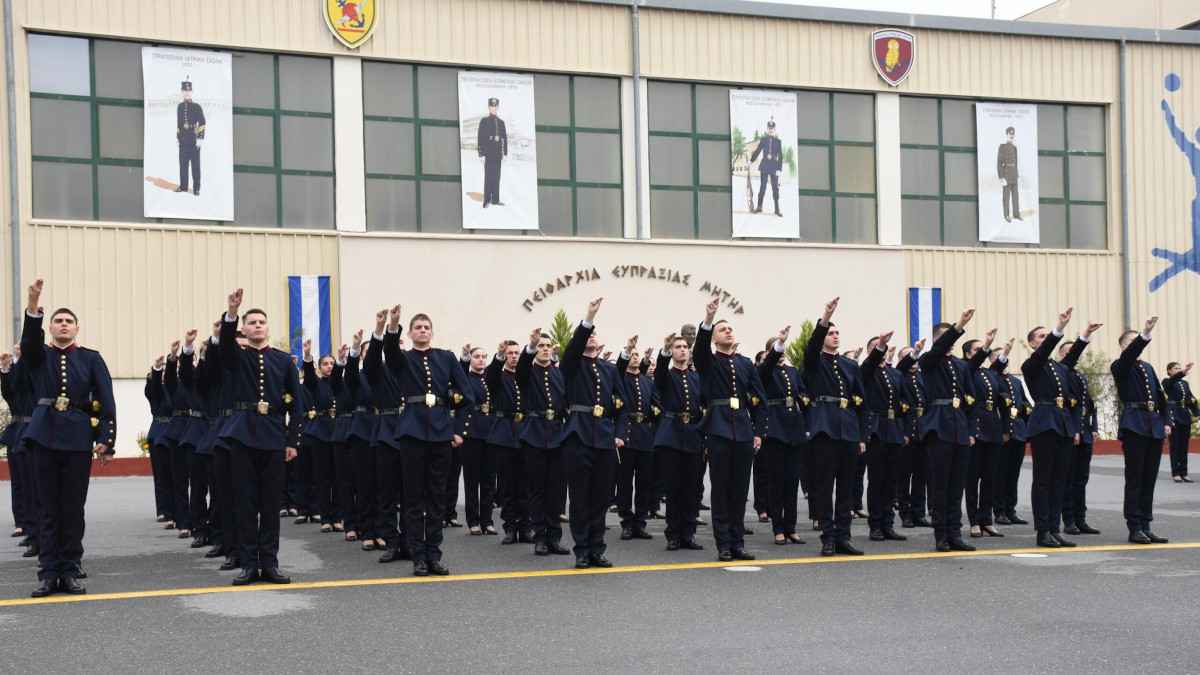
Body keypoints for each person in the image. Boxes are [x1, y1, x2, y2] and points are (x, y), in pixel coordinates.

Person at [21, 279, 116, 597]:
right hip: (44, 436)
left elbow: (107, 400)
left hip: (77, 437)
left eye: (68, 321)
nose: (63, 325)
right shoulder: (39, 356)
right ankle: (48, 572)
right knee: (48, 508)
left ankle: (70, 568)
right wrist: (33, 306)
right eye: (58, 321)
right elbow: (30, 343)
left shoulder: (90, 358)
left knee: (73, 508)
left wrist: (107, 439)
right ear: (50, 328)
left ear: (77, 328)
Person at [377, 304, 474, 576]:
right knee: (413, 498)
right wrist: (392, 324)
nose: (422, 331)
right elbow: (391, 354)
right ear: (409, 334)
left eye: (426, 328)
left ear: (433, 333)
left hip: (442, 434)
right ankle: (418, 556)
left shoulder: (446, 358)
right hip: (412, 433)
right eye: (417, 328)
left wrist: (458, 431)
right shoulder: (404, 358)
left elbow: (468, 397)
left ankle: (434, 554)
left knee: (437, 498)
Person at [216, 288, 301, 586]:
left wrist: (292, 441)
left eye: (261, 322)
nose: (257, 326)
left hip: (274, 436)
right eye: (251, 323)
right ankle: (249, 563)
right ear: (244, 329)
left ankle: (270, 563)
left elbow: (297, 404)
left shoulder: (282, 361)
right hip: (242, 436)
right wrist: (231, 312)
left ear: (268, 328)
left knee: (269, 504)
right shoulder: (236, 358)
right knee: (246, 502)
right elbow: (225, 345)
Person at [694, 299, 770, 563]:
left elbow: (760, 400)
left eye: (730, 328)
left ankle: (738, 542)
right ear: (714, 338)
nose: (728, 331)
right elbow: (700, 349)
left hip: (743, 430)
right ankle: (723, 543)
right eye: (722, 329)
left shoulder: (746, 364)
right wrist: (709, 318)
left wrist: (759, 432)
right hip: (718, 429)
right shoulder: (708, 361)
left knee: (739, 490)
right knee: (721, 490)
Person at [558, 299, 626, 569]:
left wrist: (619, 433)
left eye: (595, 333)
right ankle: (582, 550)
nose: (591, 336)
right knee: (580, 499)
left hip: (605, 439)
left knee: (599, 498)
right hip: (579, 435)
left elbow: (622, 405)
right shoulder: (572, 365)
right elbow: (574, 348)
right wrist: (589, 317)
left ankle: (597, 548)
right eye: (587, 334)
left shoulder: (609, 369)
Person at [1022, 309, 1098, 549]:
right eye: (1041, 337)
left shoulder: (1060, 368)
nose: (1045, 339)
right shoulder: (1031, 365)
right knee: (1043, 481)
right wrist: (1058, 328)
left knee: (1059, 481)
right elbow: (1045, 351)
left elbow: (1072, 356)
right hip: (1044, 423)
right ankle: (1042, 531)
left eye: (1048, 335)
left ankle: (1055, 529)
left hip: (1063, 425)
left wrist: (1085, 334)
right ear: (1033, 344)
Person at [803, 297, 868, 556]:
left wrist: (862, 436)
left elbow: (862, 403)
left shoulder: (850, 365)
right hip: (825, 429)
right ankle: (828, 536)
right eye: (831, 333)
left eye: (837, 332)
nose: (835, 336)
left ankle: (844, 536)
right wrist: (825, 318)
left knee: (846, 487)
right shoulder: (815, 362)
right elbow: (812, 347)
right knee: (824, 486)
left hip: (849, 430)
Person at [919, 310, 979, 553]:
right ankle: (941, 534)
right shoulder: (928, 361)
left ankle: (955, 532)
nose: (951, 341)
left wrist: (971, 430)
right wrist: (960, 325)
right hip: (939, 426)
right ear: (937, 340)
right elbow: (936, 352)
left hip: (959, 428)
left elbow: (971, 400)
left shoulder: (961, 366)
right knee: (941, 485)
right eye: (946, 338)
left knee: (957, 485)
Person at [1112, 317, 1173, 545]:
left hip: (1153, 426)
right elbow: (1130, 356)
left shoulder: (1147, 367)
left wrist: (1166, 420)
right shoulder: (1120, 366)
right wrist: (1145, 332)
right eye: (1135, 341)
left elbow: (1161, 397)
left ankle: (1146, 524)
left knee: (1149, 479)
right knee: (1135, 479)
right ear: (1124, 347)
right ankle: (1134, 526)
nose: (1140, 344)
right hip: (1134, 424)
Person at [756, 334, 808, 546]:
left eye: (784, 347)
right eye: (778, 347)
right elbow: (765, 369)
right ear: (769, 352)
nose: (783, 350)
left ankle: (791, 527)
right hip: (775, 427)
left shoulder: (793, 372)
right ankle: (778, 527)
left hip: (794, 427)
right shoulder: (765, 371)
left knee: (792, 481)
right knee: (776, 481)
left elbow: (802, 393)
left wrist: (804, 401)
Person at [655, 333, 705, 552]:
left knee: (691, 488)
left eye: (685, 347)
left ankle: (688, 532)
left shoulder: (697, 377)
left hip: (693, 435)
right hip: (671, 436)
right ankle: (673, 534)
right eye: (678, 347)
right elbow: (658, 375)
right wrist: (664, 351)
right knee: (674, 489)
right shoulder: (667, 376)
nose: (682, 350)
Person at [861, 337, 908, 543]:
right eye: (877, 350)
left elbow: (905, 402)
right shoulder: (867, 372)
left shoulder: (895, 373)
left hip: (894, 429)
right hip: (876, 428)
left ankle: (888, 524)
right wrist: (879, 347)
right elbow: (870, 364)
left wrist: (905, 430)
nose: (882, 354)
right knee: (877, 480)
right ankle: (876, 524)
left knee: (891, 481)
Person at [965, 339, 1012, 539]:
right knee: (972, 477)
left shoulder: (989, 374)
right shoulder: (967, 369)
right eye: (977, 350)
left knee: (990, 477)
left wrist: (1005, 352)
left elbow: (997, 367)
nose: (982, 353)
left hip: (992, 427)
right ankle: (974, 521)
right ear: (968, 354)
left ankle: (987, 520)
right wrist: (970, 431)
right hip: (976, 427)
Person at [615, 336, 661, 542]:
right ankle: (626, 521)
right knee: (625, 483)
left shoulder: (647, 382)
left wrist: (655, 411)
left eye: (637, 355)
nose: (635, 357)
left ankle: (640, 521)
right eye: (631, 355)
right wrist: (628, 348)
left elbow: (657, 406)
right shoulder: (620, 378)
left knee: (644, 483)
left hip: (645, 435)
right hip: (626, 435)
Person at [1, 346, 39, 559]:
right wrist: (6, 367)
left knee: (36, 486)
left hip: (33, 432)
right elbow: (8, 391)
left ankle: (34, 531)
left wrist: (19, 359)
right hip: (17, 433)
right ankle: (22, 523)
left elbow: (26, 381)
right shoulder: (16, 386)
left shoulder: (33, 380)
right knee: (19, 483)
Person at [456, 345, 496, 536]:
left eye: (483, 356)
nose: (480, 360)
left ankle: (487, 520)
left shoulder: (489, 379)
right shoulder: (466, 378)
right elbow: (460, 372)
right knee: (472, 480)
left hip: (489, 432)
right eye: (476, 357)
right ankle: (473, 520)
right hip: (471, 433)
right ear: (471, 359)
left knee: (489, 480)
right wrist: (463, 357)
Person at [1061, 339, 1100, 535]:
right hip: (1071, 431)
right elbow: (1068, 407)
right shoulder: (1063, 376)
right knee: (1068, 477)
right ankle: (1068, 519)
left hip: (1084, 433)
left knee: (1081, 478)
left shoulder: (1081, 377)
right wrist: (1074, 429)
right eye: (1070, 353)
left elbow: (1090, 405)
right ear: (1063, 356)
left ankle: (1080, 517)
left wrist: (1094, 427)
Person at [895, 340, 931, 529]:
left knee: (921, 475)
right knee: (904, 476)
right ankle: (905, 514)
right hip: (907, 430)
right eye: (910, 356)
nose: (915, 359)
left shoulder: (921, 377)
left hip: (923, 428)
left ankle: (919, 512)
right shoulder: (899, 374)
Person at [1163, 361, 1198, 482]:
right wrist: (1184, 371)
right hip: (1174, 416)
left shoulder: (1185, 383)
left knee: (1184, 446)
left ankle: (1184, 472)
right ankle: (1176, 473)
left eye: (1179, 368)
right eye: (1175, 368)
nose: (1178, 370)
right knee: (1175, 447)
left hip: (1184, 415)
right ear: (1169, 371)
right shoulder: (1167, 382)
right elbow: (1172, 382)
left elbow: (1191, 399)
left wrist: (1197, 414)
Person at [175, 78, 205, 196]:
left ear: (192, 92)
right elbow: (179, 123)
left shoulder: (196, 106)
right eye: (184, 90)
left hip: (194, 141)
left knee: (195, 166)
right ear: (182, 92)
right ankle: (183, 186)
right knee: (183, 165)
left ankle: (196, 188)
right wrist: (178, 137)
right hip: (183, 140)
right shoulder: (180, 107)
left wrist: (200, 138)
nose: (186, 93)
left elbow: (202, 122)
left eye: (189, 91)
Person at [750, 119, 784, 217]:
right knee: (762, 187)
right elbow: (757, 151)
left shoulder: (778, 142)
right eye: (769, 128)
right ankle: (759, 207)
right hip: (764, 165)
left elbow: (780, 156)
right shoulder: (763, 140)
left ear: (774, 130)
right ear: (767, 129)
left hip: (774, 166)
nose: (770, 130)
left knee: (775, 188)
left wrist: (779, 169)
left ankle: (777, 209)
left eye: (772, 128)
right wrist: (751, 161)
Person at [477, 97, 507, 208]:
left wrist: (505, 153)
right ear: (489, 107)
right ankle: (487, 200)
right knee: (488, 176)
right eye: (492, 106)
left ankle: (496, 199)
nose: (494, 108)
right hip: (488, 152)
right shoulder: (484, 121)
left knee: (496, 176)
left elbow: (505, 139)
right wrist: (481, 154)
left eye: (496, 106)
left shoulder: (501, 122)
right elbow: (480, 138)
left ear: (498, 107)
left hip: (498, 153)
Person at [997, 126, 1020, 222]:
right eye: (1010, 134)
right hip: (1006, 175)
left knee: (1015, 196)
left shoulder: (1015, 148)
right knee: (1006, 197)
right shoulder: (1002, 147)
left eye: (1013, 134)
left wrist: (1017, 174)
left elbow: (1016, 163)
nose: (1011, 135)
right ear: (1007, 134)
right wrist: (1001, 177)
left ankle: (1016, 214)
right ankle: (1006, 215)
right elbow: (999, 162)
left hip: (1014, 175)